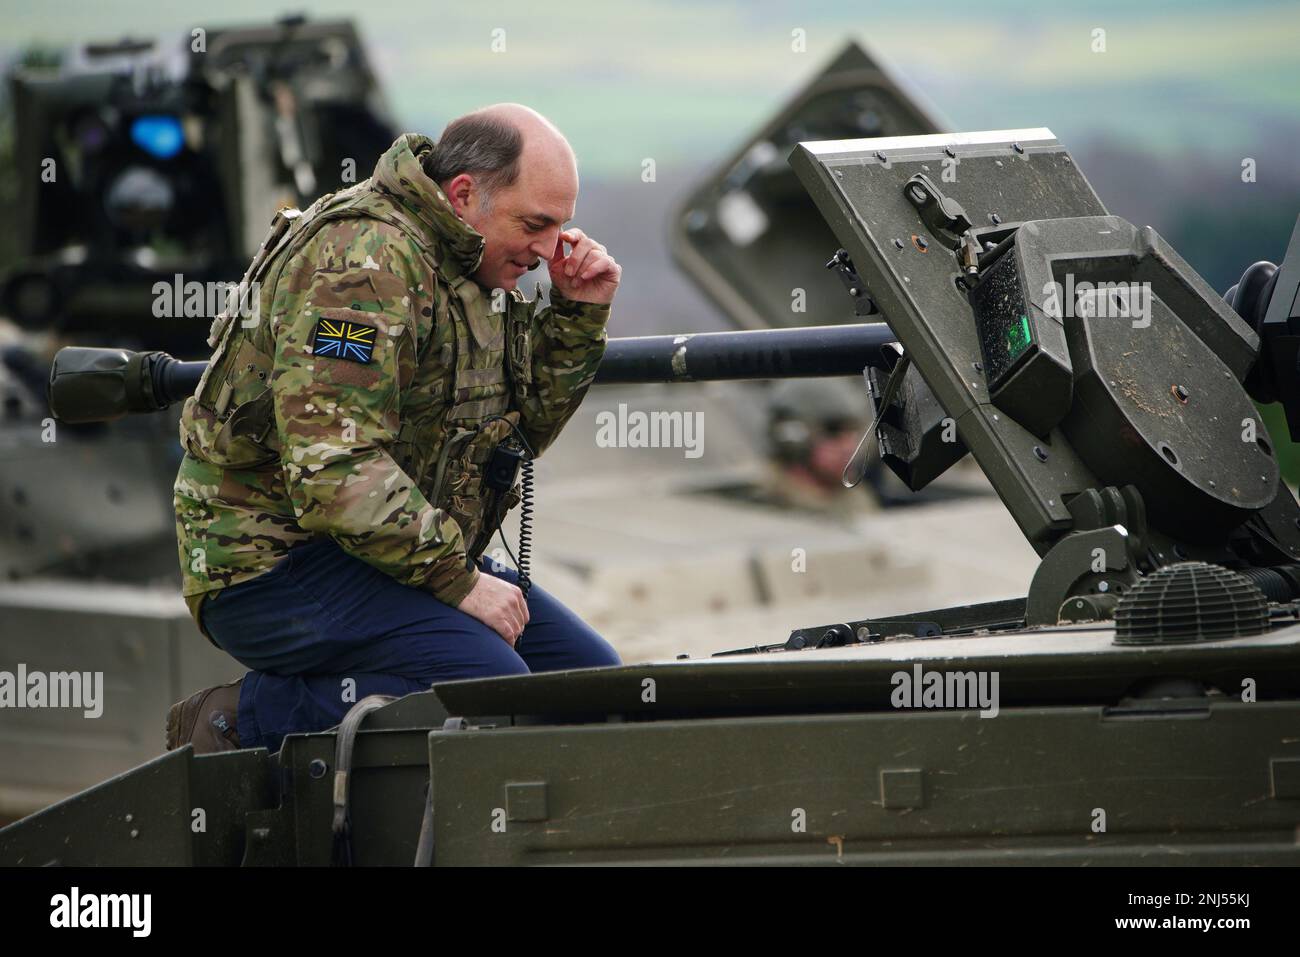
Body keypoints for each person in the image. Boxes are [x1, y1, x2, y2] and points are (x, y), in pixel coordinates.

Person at [166, 104, 623, 755]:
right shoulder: (364, 263)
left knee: (595, 688)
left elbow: (512, 444)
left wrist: (578, 316)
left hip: (388, 552)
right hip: (267, 563)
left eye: (562, 227)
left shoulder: (474, 264)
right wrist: (460, 582)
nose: (551, 248)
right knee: (490, 687)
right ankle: (248, 719)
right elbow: (333, 468)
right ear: (465, 194)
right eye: (536, 224)